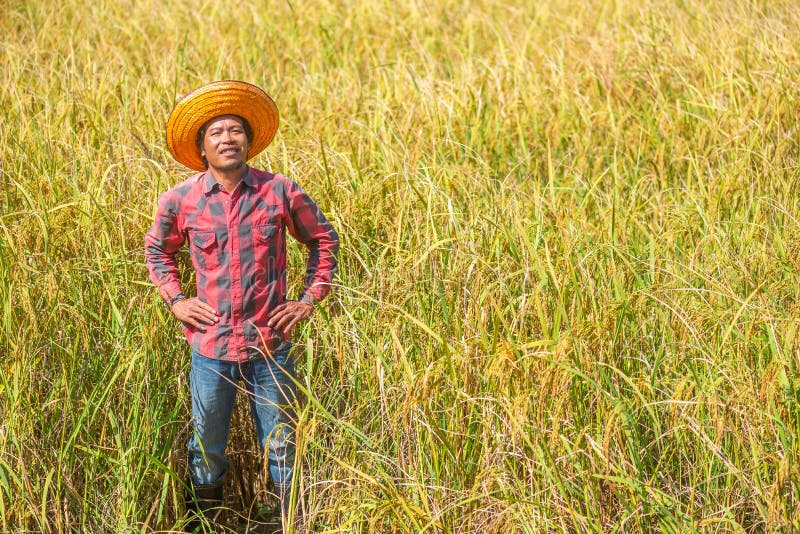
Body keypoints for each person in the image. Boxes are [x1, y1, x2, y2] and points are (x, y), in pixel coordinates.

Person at [144, 80, 339, 530]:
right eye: (216, 132)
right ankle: (206, 522)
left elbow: (323, 239)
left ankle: (285, 523)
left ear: (249, 142)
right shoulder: (180, 200)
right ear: (202, 147)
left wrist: (309, 299)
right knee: (206, 442)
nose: (227, 138)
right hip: (210, 347)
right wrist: (176, 299)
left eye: (235, 130)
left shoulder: (279, 190)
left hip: (271, 343)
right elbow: (157, 251)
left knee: (283, 443)